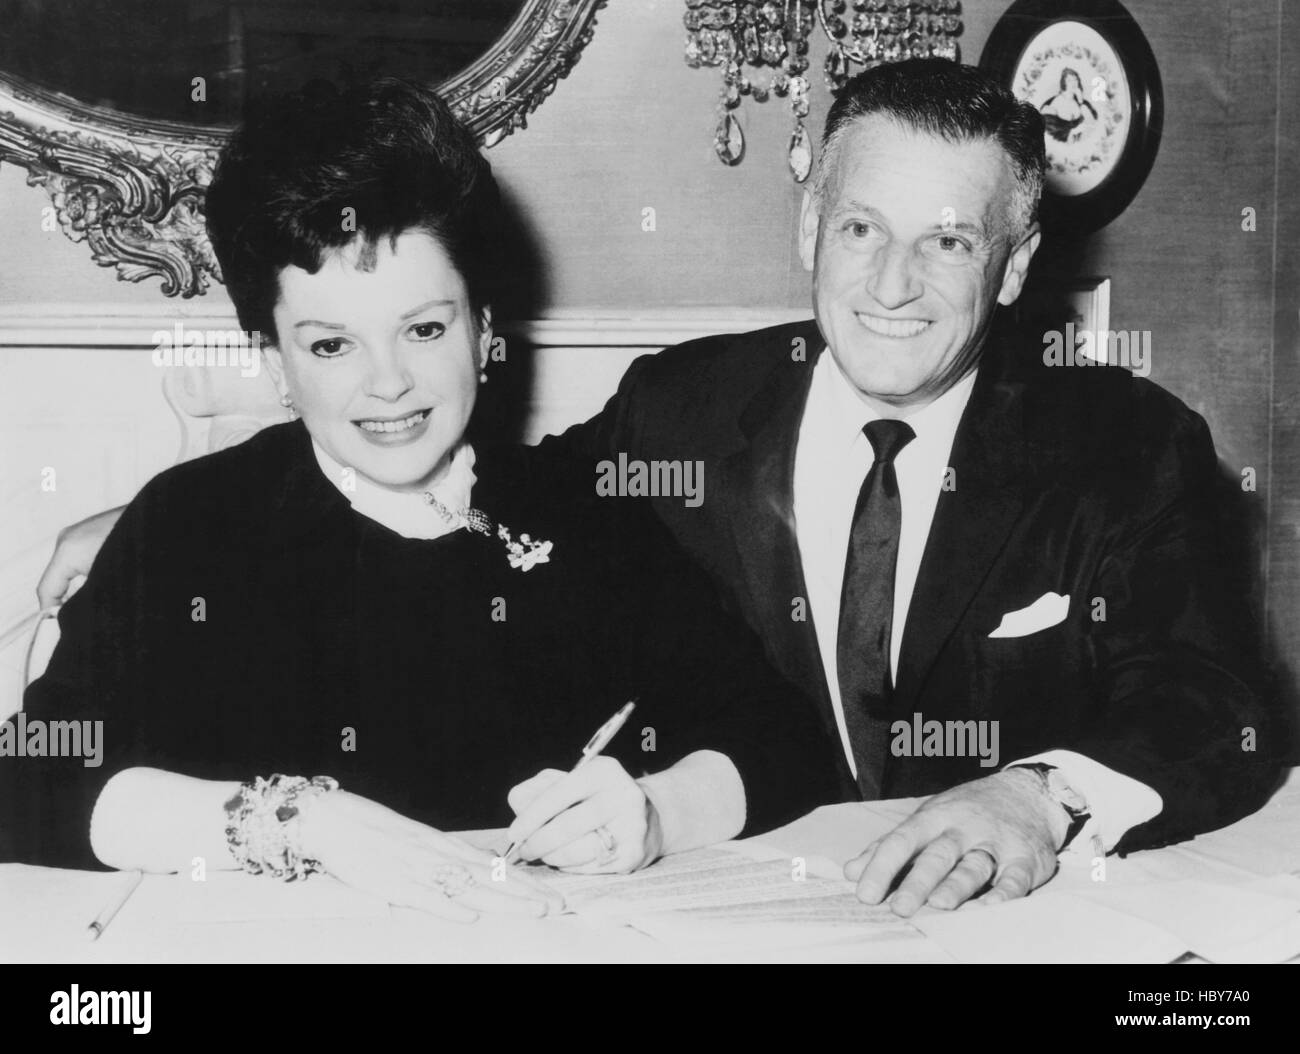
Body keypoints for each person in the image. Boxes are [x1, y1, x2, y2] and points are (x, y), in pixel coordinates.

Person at [36, 61, 1283, 919]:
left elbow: (1212, 702)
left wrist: (658, 810)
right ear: (808, 230)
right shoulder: (674, 417)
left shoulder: (1125, 447)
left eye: (948, 240)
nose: (893, 281)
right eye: (861, 229)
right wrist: (273, 807)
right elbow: (33, 771)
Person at [1, 79, 841, 921]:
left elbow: (781, 738)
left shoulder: (588, 511)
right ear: (274, 362)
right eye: (331, 344)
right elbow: (32, 784)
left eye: (425, 329)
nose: (390, 382)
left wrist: (658, 813)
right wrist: (300, 823)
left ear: (482, 331)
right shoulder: (188, 524)